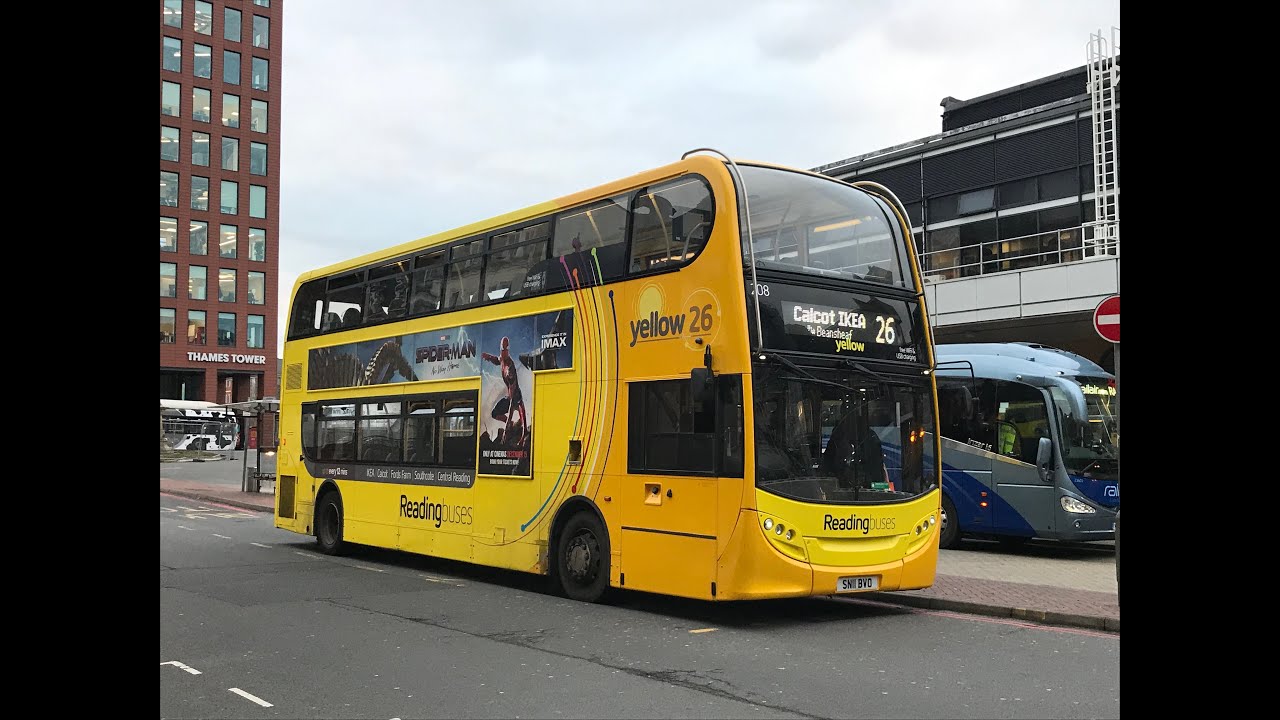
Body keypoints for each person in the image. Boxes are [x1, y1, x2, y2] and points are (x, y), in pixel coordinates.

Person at [481, 336, 528, 447]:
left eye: (505, 350)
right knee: (494, 413)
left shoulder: (510, 368)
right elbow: (497, 360)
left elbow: (512, 399)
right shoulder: (502, 359)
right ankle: (511, 424)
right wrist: (489, 357)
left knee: (524, 424)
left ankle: (518, 434)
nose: (502, 353)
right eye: (502, 350)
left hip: (516, 397)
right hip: (509, 397)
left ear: (508, 351)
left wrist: (507, 425)